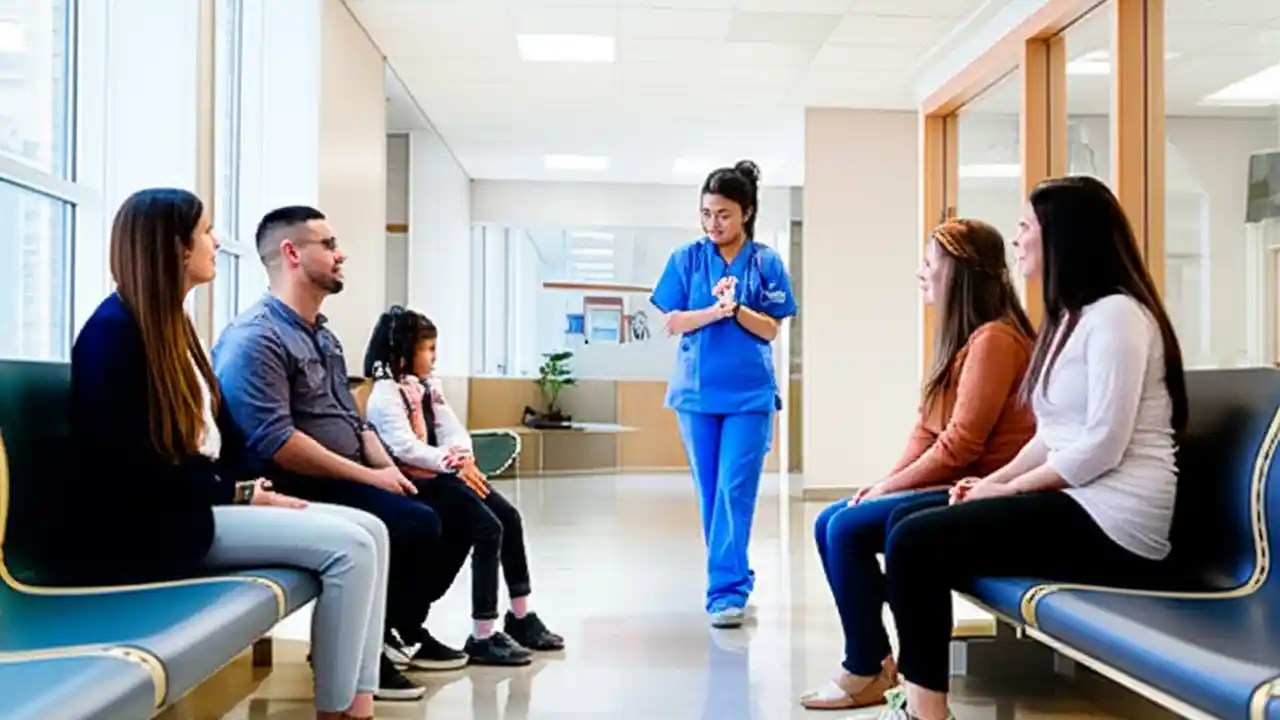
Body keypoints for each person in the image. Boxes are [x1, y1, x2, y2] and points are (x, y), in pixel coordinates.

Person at [68, 188, 391, 720]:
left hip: (200, 506)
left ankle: (358, 701)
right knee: (350, 550)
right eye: (205, 232)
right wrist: (238, 492)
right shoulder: (114, 336)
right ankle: (336, 712)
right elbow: (130, 474)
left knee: (371, 532)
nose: (216, 241)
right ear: (173, 247)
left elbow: (223, 434)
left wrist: (249, 486)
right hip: (156, 526)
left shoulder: (171, 326)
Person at [878, 175, 1188, 720]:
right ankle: (921, 703)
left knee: (915, 543)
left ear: (1063, 236)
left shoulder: (1118, 316)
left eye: (1025, 227)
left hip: (1116, 521)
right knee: (904, 521)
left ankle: (925, 714)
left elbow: (1102, 445)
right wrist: (993, 485)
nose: (1016, 241)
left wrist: (1007, 490)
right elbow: (1052, 435)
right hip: (1079, 502)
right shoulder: (1071, 320)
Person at [211, 206, 459, 698]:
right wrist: (371, 479)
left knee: (464, 508)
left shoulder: (322, 334)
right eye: (328, 244)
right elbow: (277, 443)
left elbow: (352, 420)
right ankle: (366, 649)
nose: (340, 253)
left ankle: (401, 629)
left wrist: (389, 467)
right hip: (294, 481)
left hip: (349, 469)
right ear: (291, 254)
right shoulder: (256, 337)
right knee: (416, 522)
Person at [800, 219, 1036, 711]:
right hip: (957, 481)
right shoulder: (966, 338)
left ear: (958, 273)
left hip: (984, 489)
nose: (920, 272)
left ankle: (866, 666)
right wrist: (883, 484)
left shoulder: (996, 339)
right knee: (831, 521)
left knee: (845, 529)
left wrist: (890, 490)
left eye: (929, 263)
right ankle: (872, 659)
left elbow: (961, 447)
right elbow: (927, 432)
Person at [362, 307, 565, 666]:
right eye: (429, 349)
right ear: (404, 352)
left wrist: (463, 457)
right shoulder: (385, 395)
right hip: (416, 482)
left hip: (444, 471)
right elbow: (404, 447)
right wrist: (449, 462)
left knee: (509, 517)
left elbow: (452, 428)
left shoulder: (426, 387)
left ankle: (520, 616)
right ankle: (482, 635)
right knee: (488, 529)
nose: (435, 357)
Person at [650, 160, 798, 629]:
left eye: (724, 214)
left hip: (749, 397)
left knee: (735, 491)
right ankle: (736, 572)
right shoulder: (686, 259)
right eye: (707, 213)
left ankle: (725, 592)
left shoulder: (766, 262)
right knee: (710, 496)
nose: (714, 223)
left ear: (747, 213)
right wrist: (715, 311)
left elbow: (771, 329)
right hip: (695, 396)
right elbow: (673, 321)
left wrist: (737, 311)